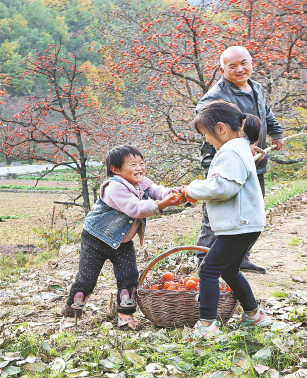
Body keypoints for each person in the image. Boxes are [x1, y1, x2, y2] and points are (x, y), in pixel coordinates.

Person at [179, 100, 273, 339]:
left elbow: (222, 188)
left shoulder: (230, 152)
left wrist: (191, 190)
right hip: (246, 223)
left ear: (220, 128)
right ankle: (254, 316)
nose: (206, 140)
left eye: (205, 134)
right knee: (230, 271)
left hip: (238, 225)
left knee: (208, 271)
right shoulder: (239, 148)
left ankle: (207, 325)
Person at [60, 145, 181, 330]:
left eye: (141, 163)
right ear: (115, 169)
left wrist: (173, 194)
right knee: (87, 279)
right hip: (96, 240)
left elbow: (158, 191)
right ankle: (71, 315)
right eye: (133, 164)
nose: (139, 168)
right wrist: (162, 204)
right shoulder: (113, 187)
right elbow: (135, 208)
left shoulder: (142, 182)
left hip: (122, 241)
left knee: (129, 275)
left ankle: (125, 315)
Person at [195, 46, 285, 273]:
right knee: (216, 213)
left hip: (255, 163)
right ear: (222, 69)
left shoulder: (256, 88)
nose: (239, 69)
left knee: (249, 212)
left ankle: (238, 260)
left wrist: (277, 133)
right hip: (227, 164)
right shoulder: (217, 95)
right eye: (232, 66)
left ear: (252, 62)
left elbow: (266, 113)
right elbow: (203, 121)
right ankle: (205, 262)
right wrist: (240, 144)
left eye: (243, 63)